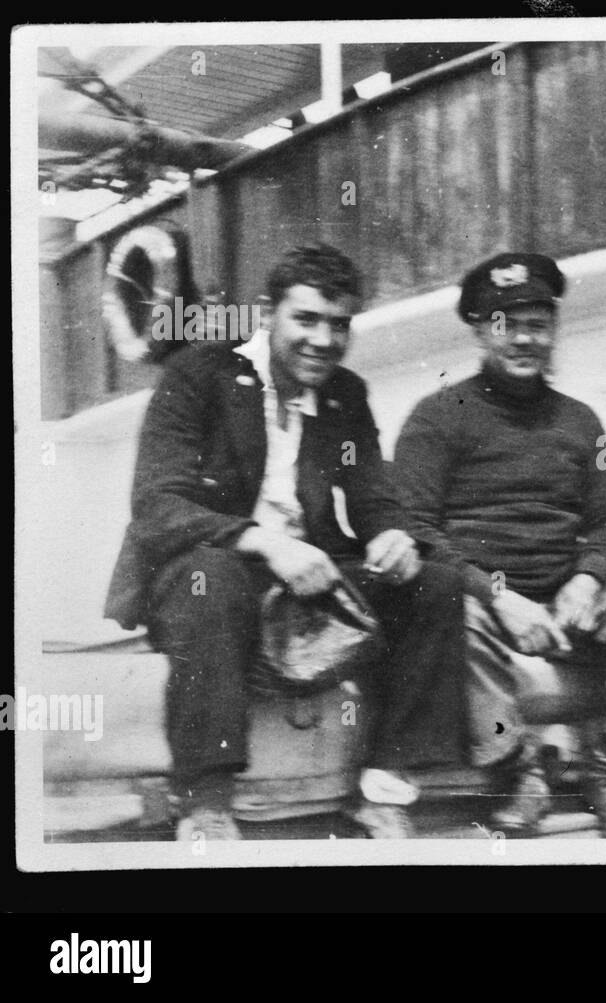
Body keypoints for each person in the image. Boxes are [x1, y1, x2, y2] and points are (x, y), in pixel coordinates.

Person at [104, 243, 465, 841]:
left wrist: (393, 535)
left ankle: (382, 786)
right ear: (270, 313)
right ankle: (207, 801)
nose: (323, 340)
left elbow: (373, 495)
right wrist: (264, 544)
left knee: (434, 582)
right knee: (212, 579)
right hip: (211, 564)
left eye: (339, 324)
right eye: (307, 319)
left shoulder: (346, 393)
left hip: (311, 568)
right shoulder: (198, 374)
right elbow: (157, 506)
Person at [393, 252, 606, 839]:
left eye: (538, 324)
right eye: (506, 325)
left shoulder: (579, 420)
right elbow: (415, 527)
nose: (524, 339)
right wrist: (498, 596)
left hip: (565, 600)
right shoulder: (438, 415)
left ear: (553, 331)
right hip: (483, 599)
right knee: (446, 600)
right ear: (480, 332)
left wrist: (586, 578)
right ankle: (518, 767)